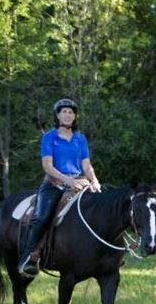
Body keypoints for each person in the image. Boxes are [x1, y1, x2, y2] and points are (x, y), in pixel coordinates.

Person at [18, 98, 102, 277]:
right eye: (64, 111)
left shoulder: (80, 139)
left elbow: (86, 166)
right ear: (57, 115)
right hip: (54, 184)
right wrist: (68, 181)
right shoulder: (50, 137)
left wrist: (94, 181)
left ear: (75, 116)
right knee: (42, 217)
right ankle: (28, 258)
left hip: (80, 183)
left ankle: (108, 254)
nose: (68, 115)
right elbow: (48, 166)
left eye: (71, 112)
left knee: (102, 208)